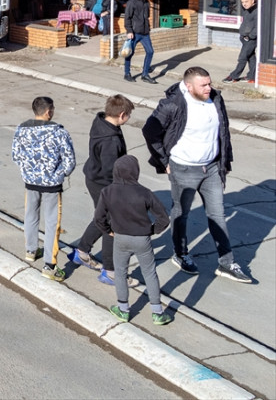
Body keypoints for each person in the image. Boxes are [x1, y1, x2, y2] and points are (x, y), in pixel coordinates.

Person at [142, 67, 251, 283]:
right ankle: (180, 253)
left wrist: (224, 161)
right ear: (189, 86)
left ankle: (226, 262)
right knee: (181, 213)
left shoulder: (216, 99)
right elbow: (149, 130)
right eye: (204, 85)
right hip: (183, 169)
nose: (209, 88)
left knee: (217, 214)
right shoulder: (174, 103)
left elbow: (223, 132)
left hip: (211, 168)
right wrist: (164, 161)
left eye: (209, 83)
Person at [93, 155, 172, 325]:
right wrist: (152, 230)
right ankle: (157, 313)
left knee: (120, 273)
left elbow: (99, 218)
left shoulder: (107, 191)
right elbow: (164, 218)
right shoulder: (144, 192)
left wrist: (109, 231)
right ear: (136, 172)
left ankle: (123, 310)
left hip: (120, 238)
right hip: (142, 239)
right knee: (150, 273)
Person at [71, 94, 138, 287]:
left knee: (101, 218)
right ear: (122, 114)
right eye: (129, 115)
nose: (129, 118)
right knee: (112, 225)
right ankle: (110, 271)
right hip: (105, 183)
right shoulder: (111, 140)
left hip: (93, 177)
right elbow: (111, 171)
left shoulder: (102, 122)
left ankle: (82, 252)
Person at [11, 96, 77, 281]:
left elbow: (15, 156)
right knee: (52, 224)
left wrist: (29, 171)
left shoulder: (21, 129)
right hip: (52, 186)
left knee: (30, 216)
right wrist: (60, 174)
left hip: (30, 182)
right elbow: (70, 160)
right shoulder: (59, 132)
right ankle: (50, 265)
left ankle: (31, 250)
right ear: (49, 112)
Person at [123, 0, 156, 84]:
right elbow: (127, 17)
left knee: (150, 51)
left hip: (145, 32)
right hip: (134, 32)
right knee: (129, 53)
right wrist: (129, 31)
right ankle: (127, 73)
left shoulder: (146, 2)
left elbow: (147, 16)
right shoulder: (131, 2)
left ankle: (145, 74)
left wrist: (148, 28)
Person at [224, 0, 257, 83]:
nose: (244, 4)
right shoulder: (246, 10)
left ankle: (233, 76)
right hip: (244, 38)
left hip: (251, 39)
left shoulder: (257, 11)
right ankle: (252, 76)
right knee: (251, 57)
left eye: (246, 1)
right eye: (242, 2)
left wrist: (250, 36)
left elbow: (258, 27)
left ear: (253, 1)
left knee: (242, 57)